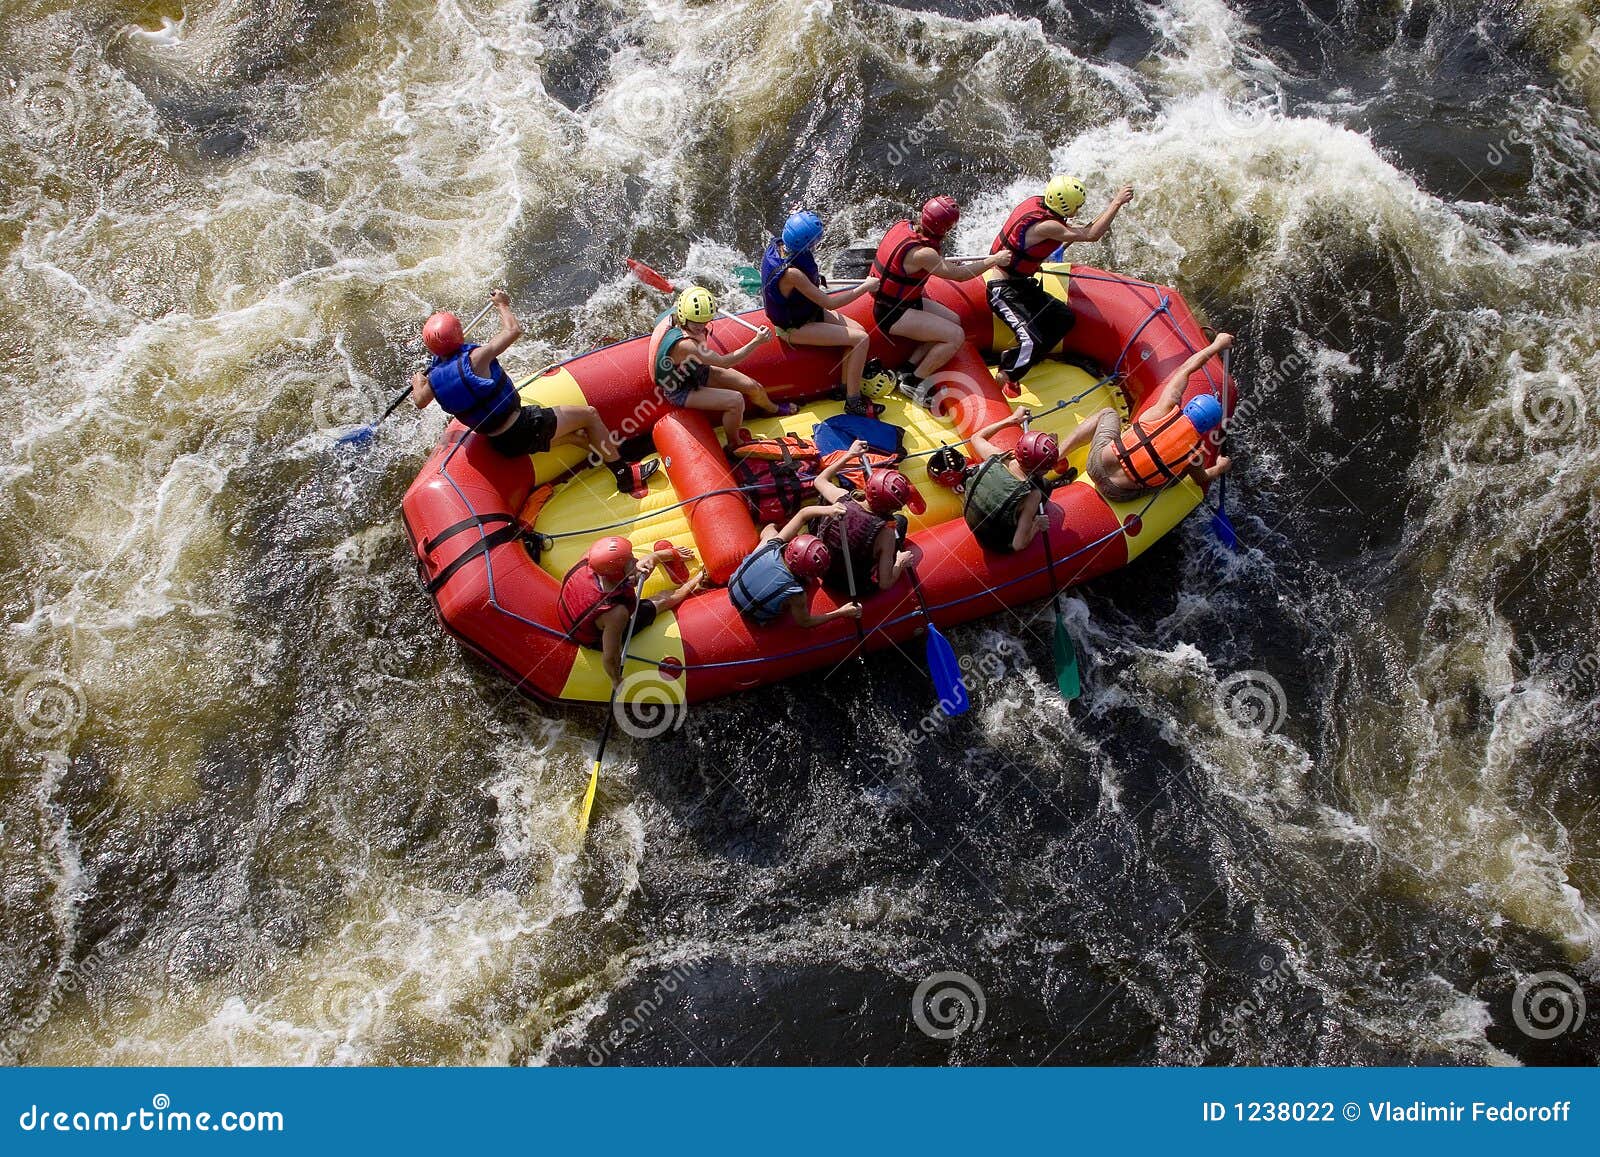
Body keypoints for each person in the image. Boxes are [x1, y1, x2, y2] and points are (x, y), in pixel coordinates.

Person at [411, 290, 654, 493]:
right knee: (588, 415)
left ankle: (615, 454)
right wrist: (502, 304)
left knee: (574, 436)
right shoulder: (476, 358)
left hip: (502, 444)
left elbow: (420, 401)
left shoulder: (433, 380)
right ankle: (624, 474)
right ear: (459, 335)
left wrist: (418, 380)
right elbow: (513, 331)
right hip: (524, 427)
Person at [988, 176, 1135, 396]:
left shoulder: (1038, 203)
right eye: (1077, 205)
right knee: (1031, 339)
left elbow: (1066, 234)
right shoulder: (1047, 225)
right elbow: (1092, 235)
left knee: (1063, 318)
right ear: (1066, 205)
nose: (1079, 208)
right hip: (1002, 289)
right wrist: (1116, 203)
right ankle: (1003, 378)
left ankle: (1014, 357)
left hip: (1020, 283)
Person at [869, 196, 1013, 404]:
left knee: (953, 320)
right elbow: (959, 275)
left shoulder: (902, 226)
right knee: (956, 336)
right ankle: (914, 382)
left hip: (901, 302)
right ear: (944, 228)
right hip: (893, 314)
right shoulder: (924, 253)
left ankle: (908, 369)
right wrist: (993, 260)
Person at [1059, 332, 1234, 503]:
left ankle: (1058, 454)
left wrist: (1216, 345)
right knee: (1177, 476)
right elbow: (1201, 479)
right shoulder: (1195, 454)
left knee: (1108, 413)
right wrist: (1220, 467)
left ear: (1189, 406)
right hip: (1116, 492)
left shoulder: (1164, 408)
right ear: (1208, 427)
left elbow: (1186, 369)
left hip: (1095, 464)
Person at [761, 211, 883, 417]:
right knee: (861, 339)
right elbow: (830, 302)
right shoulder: (793, 274)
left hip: (809, 312)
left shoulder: (779, 245)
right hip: (794, 327)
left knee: (858, 331)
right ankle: (853, 403)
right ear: (807, 244)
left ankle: (844, 389)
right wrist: (865, 286)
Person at [649, 286, 795, 446]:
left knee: (753, 386)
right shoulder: (687, 346)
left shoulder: (677, 315)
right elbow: (726, 362)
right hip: (681, 389)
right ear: (684, 316)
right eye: (696, 323)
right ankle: (735, 443)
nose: (700, 326)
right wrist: (756, 341)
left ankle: (771, 409)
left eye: (705, 321)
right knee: (736, 401)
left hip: (696, 370)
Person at [558, 536, 706, 688]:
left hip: (574, 605)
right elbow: (610, 657)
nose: (635, 561)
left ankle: (661, 555)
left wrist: (652, 557)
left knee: (641, 568)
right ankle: (700, 578)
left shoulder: (590, 558)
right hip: (594, 634)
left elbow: (627, 572)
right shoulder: (616, 613)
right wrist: (616, 679)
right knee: (661, 601)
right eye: (630, 561)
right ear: (617, 575)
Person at [933, 407, 1060, 553]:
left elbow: (976, 437)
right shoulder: (1033, 495)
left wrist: (1011, 420)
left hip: (971, 515)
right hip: (995, 543)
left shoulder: (998, 456)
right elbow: (1018, 544)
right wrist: (1037, 525)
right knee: (1045, 486)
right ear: (1043, 470)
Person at [809, 438, 921, 594]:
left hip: (823, 571)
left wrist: (850, 455)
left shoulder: (842, 497)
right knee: (900, 522)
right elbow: (885, 583)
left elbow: (819, 480)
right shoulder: (886, 533)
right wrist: (900, 563)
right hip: (854, 587)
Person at [728, 505, 863, 629]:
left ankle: (771, 526)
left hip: (732, 588)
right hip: (756, 616)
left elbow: (803, 514)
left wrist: (829, 509)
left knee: (771, 534)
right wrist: (841, 612)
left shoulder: (771, 547)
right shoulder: (797, 594)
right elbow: (805, 622)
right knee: (803, 589)